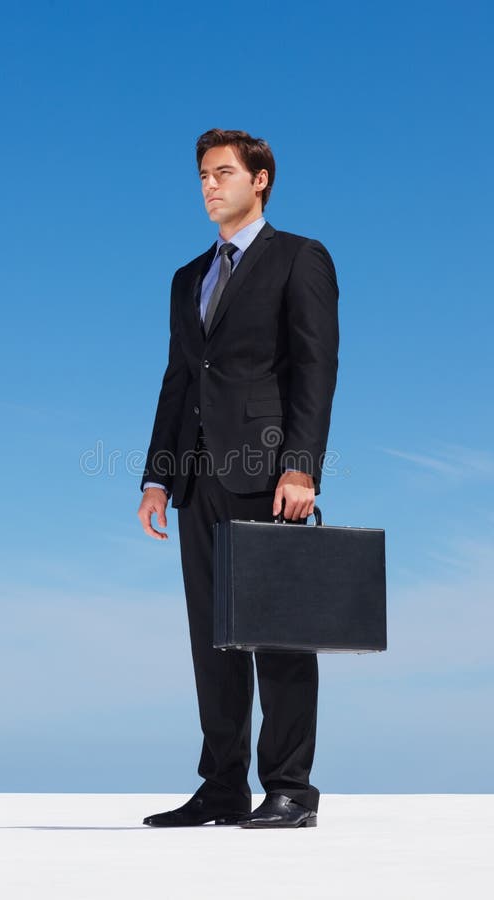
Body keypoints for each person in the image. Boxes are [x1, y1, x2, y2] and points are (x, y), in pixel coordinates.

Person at [137, 128, 339, 829]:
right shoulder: (186, 277)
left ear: (259, 180)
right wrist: (157, 477)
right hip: (194, 476)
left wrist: (301, 464)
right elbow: (177, 381)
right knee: (214, 636)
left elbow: (315, 367)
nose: (208, 185)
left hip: (266, 470)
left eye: (222, 172)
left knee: (278, 630)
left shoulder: (298, 258)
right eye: (201, 175)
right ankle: (221, 785)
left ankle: (289, 789)